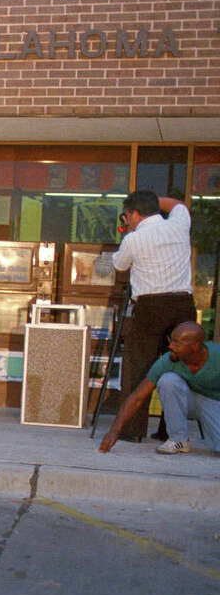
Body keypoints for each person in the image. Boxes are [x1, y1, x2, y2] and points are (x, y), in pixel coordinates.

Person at [106, 189, 195, 441]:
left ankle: (133, 430)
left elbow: (119, 265)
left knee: (139, 367)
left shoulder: (134, 239)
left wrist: (129, 233)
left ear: (134, 214)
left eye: (126, 215)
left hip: (150, 304)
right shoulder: (178, 223)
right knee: (178, 366)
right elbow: (178, 204)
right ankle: (171, 430)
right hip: (182, 304)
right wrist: (156, 201)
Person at [99, 322, 219, 455]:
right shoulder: (168, 361)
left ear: (195, 346)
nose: (170, 346)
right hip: (187, 401)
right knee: (168, 380)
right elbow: (138, 397)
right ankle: (178, 440)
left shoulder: (216, 357)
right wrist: (114, 431)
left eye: (177, 343)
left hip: (214, 404)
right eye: (171, 341)